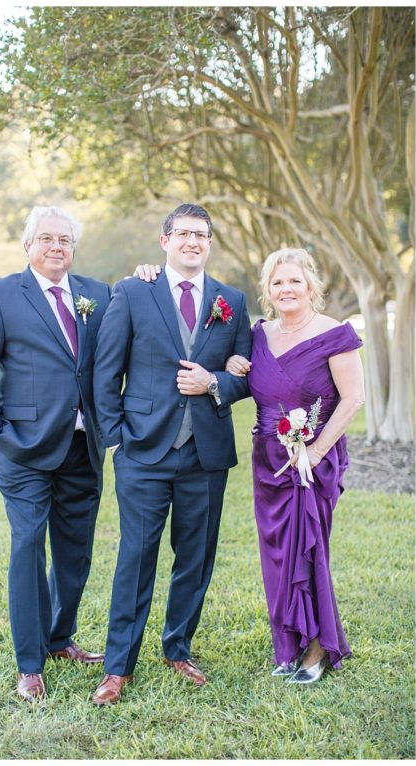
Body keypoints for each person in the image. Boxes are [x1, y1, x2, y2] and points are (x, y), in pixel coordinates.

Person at [90, 203, 252, 705]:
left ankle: (177, 647)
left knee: (195, 557)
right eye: (182, 233)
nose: (192, 242)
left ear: (209, 243)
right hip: (143, 451)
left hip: (206, 453)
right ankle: (118, 667)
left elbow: (247, 374)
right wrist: (116, 433)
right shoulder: (133, 292)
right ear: (164, 241)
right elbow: (104, 370)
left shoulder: (232, 300)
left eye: (201, 235)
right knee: (135, 558)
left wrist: (214, 383)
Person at [0, 206, 111, 702]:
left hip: (82, 446)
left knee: (76, 551)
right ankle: (29, 663)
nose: (56, 248)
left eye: (64, 240)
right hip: (22, 448)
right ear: (28, 245)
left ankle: (59, 637)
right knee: (28, 545)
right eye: (46, 239)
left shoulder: (97, 294)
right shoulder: (0, 295)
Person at [223, 248, 364, 683]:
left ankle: (319, 649)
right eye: (277, 282)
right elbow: (249, 381)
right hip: (267, 460)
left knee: (311, 551)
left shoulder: (334, 333)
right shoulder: (258, 334)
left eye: (294, 281)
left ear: (310, 287)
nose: (286, 289)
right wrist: (232, 364)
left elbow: (353, 398)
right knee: (278, 556)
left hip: (313, 463)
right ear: (267, 289)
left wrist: (316, 452)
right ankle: (288, 644)